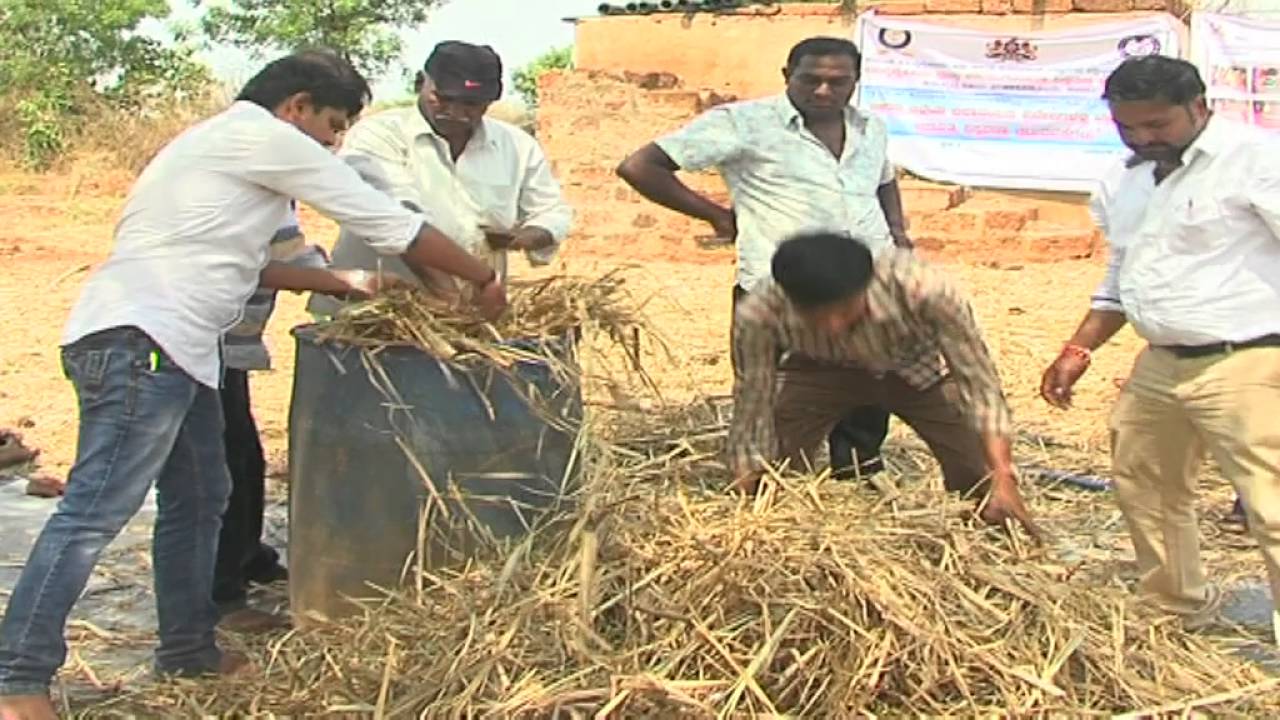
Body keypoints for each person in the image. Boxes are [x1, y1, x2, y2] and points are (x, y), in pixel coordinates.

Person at [0, 50, 505, 720]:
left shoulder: (228, 155)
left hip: (177, 347)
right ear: (295, 106)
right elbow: (387, 220)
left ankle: (186, 649)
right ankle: (17, 676)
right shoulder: (259, 136)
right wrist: (481, 277)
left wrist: (355, 283)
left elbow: (267, 264)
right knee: (92, 513)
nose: (332, 142)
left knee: (203, 494)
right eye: (329, 125)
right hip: (141, 342)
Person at [1040, 56, 1280, 629]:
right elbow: (1124, 273)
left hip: (1247, 360)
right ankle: (1174, 608)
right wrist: (1078, 350)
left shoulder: (1256, 161)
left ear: (1199, 107)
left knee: (1271, 507)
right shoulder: (1124, 178)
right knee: (1145, 484)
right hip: (1161, 362)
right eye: (1129, 127)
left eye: (1158, 126)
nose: (1144, 138)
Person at [617, 36, 911, 483]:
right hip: (781, 289)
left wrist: (899, 233)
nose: (824, 92)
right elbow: (641, 166)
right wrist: (716, 215)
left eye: (838, 82)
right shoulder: (743, 123)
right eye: (811, 80)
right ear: (786, 76)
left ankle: (858, 475)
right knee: (769, 391)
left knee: (868, 385)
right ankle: (762, 485)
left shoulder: (871, 128)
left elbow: (883, 180)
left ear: (856, 81)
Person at [730, 231, 1038, 540]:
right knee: (775, 471)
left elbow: (978, 380)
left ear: (867, 285)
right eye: (817, 317)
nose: (834, 326)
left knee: (978, 467)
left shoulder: (925, 289)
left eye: (845, 310)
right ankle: (785, 541)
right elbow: (753, 395)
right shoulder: (759, 312)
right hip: (819, 369)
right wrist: (749, 478)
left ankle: (990, 534)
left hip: (916, 369)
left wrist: (1002, 472)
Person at [309, 40, 572, 317]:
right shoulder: (378, 135)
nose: (457, 113)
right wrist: (452, 297)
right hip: (371, 314)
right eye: (444, 98)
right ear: (420, 83)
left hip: (472, 314)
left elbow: (552, 212)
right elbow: (397, 221)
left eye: (472, 104)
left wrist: (524, 238)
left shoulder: (517, 146)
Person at [213, 205, 326, 632]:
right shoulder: (258, 170)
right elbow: (274, 266)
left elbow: (289, 252)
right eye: (333, 131)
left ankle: (247, 558)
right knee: (220, 470)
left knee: (246, 458)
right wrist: (348, 283)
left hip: (228, 345)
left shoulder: (272, 188)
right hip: (200, 342)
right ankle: (220, 594)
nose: (335, 138)